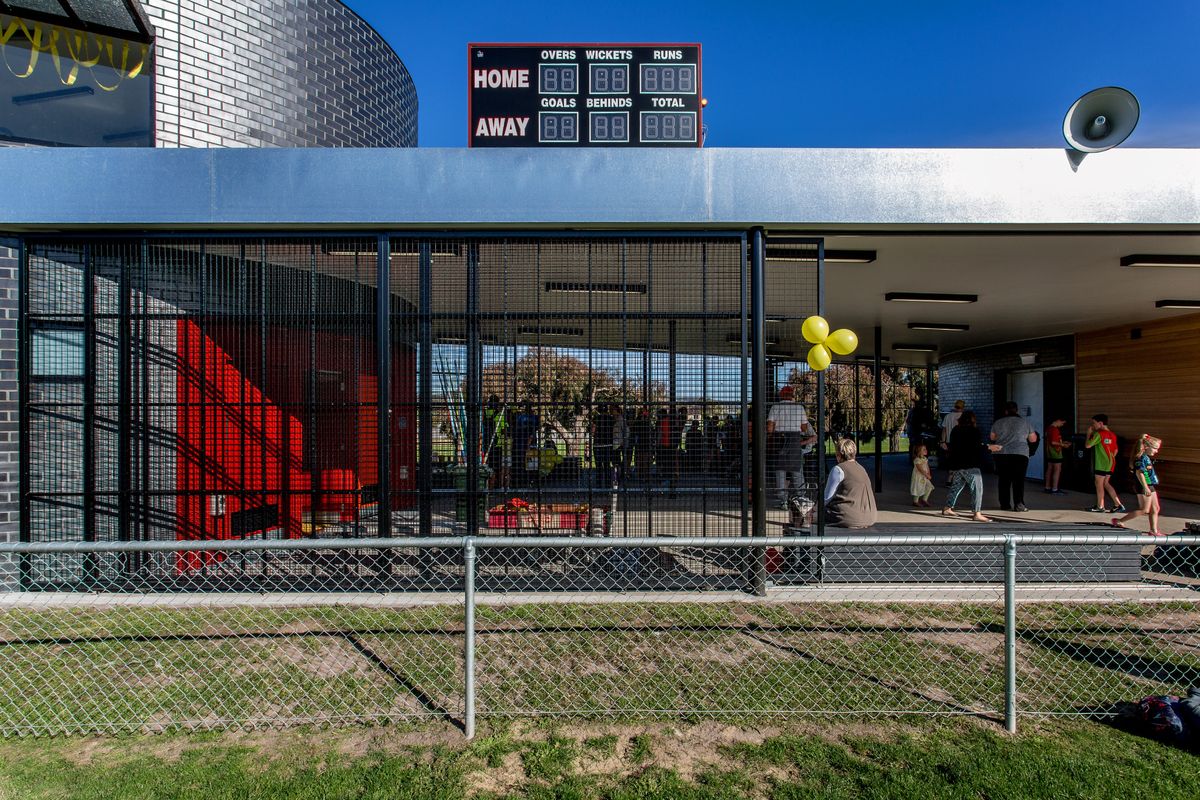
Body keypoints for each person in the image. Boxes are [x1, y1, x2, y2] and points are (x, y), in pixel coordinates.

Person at [942, 410, 1002, 522]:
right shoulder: (974, 431)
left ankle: (947, 508)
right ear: (973, 420)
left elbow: (960, 445)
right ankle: (977, 513)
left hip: (957, 464)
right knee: (977, 489)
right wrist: (990, 448)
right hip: (970, 465)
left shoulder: (956, 430)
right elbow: (975, 447)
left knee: (956, 487)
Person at [767, 385, 817, 508]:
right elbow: (804, 428)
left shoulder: (775, 407)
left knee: (780, 472)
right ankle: (801, 497)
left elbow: (769, 428)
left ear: (781, 395)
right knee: (797, 471)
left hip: (780, 440)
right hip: (795, 440)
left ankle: (783, 500)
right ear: (792, 395)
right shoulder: (799, 407)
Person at [990, 401, 1038, 512]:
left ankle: (1005, 504)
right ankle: (1019, 505)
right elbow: (1033, 439)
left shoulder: (998, 422)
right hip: (1020, 454)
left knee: (1003, 480)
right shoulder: (1025, 423)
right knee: (1019, 480)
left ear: (1005, 411)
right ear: (1016, 410)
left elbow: (992, 438)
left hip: (1001, 454)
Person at [1112, 434, 1164, 535]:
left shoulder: (1146, 458)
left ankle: (1153, 530)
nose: (1157, 451)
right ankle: (1119, 520)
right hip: (1143, 485)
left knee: (1156, 508)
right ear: (1146, 447)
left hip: (1150, 485)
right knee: (1144, 509)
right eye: (1155, 448)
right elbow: (1139, 473)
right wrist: (1145, 487)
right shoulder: (1140, 458)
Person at [824, 438, 877, 528]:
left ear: (839, 454)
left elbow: (826, 498)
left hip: (848, 518)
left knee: (812, 514)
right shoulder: (862, 469)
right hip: (870, 517)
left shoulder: (838, 469)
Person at [1084, 414, 1126, 513]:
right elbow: (1115, 450)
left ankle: (1100, 506)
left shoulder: (1099, 434)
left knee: (1099, 484)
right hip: (1110, 463)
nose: (1093, 426)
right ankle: (1118, 504)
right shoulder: (1112, 435)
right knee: (1106, 483)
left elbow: (1088, 445)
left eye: (1094, 423)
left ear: (1100, 423)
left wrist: (1088, 434)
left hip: (1101, 463)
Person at [1042, 419, 1072, 495]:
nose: (1062, 425)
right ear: (1058, 420)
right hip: (1056, 452)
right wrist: (1064, 445)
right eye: (1062, 423)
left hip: (1049, 452)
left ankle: (1047, 487)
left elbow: (1052, 440)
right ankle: (1055, 489)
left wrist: (1063, 442)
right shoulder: (1055, 429)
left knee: (1049, 469)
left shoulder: (1049, 428)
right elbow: (1053, 442)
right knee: (1057, 469)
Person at [938, 399, 966, 476]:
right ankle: (960, 478)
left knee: (951, 461)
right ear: (963, 407)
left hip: (949, 442)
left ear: (955, 406)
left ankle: (950, 478)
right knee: (962, 461)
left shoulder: (948, 416)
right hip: (961, 442)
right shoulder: (964, 417)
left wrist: (943, 442)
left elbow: (944, 430)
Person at [910, 443, 935, 507]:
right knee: (918, 488)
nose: (926, 450)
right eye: (924, 449)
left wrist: (929, 473)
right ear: (919, 451)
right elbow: (920, 469)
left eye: (926, 449)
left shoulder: (925, 458)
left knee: (929, 486)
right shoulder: (917, 460)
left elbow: (927, 467)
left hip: (925, 476)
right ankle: (915, 501)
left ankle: (924, 500)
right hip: (918, 477)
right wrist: (927, 475)